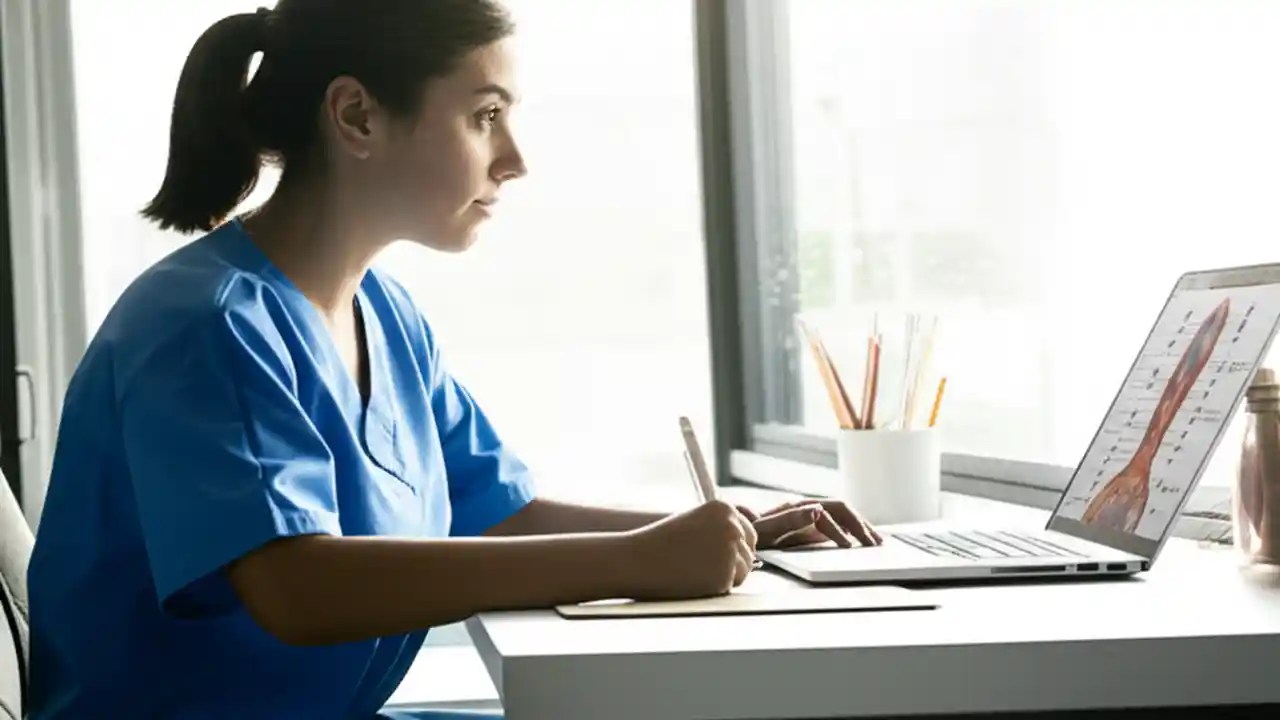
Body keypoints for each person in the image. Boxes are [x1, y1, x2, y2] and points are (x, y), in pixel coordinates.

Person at [26, 1, 881, 718]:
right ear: (357, 116)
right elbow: (298, 586)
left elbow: (497, 512)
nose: (514, 160)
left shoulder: (387, 316)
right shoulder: (205, 325)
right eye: (484, 116)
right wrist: (636, 561)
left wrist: (723, 531)